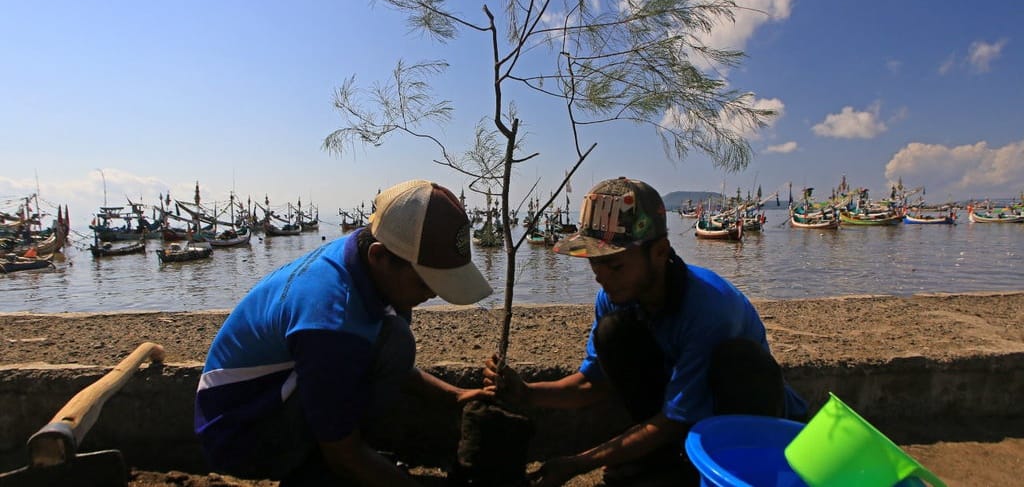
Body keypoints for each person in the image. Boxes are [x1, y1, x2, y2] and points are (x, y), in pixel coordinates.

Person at [484, 176, 807, 486]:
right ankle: (665, 460)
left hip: (746, 419)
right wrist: (526, 393)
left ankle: (723, 466)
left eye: (616, 265)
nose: (601, 277)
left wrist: (578, 463)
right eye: (595, 263)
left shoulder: (710, 310)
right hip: (678, 418)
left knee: (740, 358)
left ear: (660, 252)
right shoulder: (614, 298)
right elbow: (592, 383)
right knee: (613, 332)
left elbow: (676, 418)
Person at [195, 180, 494, 486]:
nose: (433, 294)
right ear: (379, 256)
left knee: (394, 339)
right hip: (243, 433)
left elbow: (385, 360)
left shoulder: (362, 257)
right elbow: (344, 455)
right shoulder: (329, 321)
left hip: (279, 394)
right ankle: (312, 470)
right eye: (424, 282)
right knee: (388, 348)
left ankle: (336, 455)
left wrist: (455, 396)